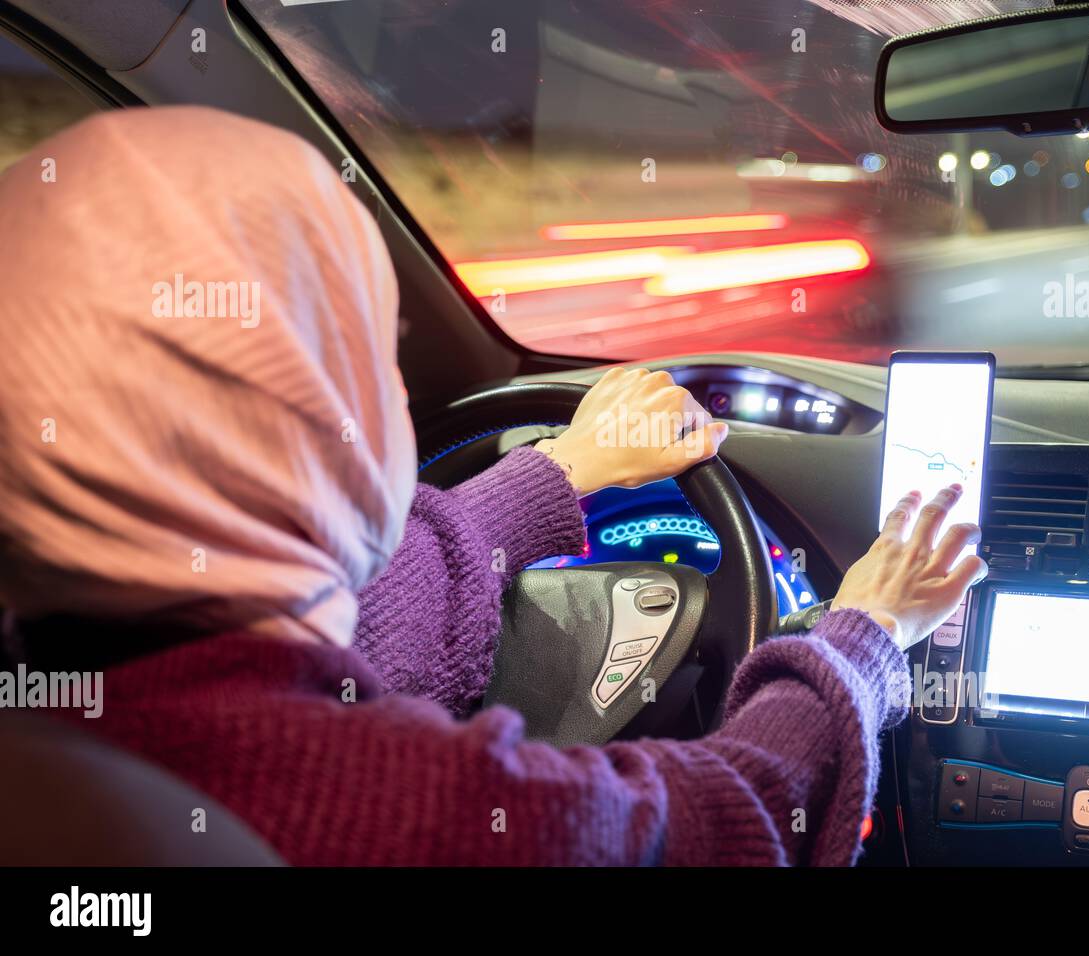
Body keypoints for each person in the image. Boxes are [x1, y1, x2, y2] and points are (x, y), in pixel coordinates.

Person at [0, 106, 985, 866]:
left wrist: (569, 467)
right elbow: (739, 806)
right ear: (300, 413)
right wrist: (862, 633)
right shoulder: (408, 806)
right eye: (367, 355)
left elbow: (367, 617)